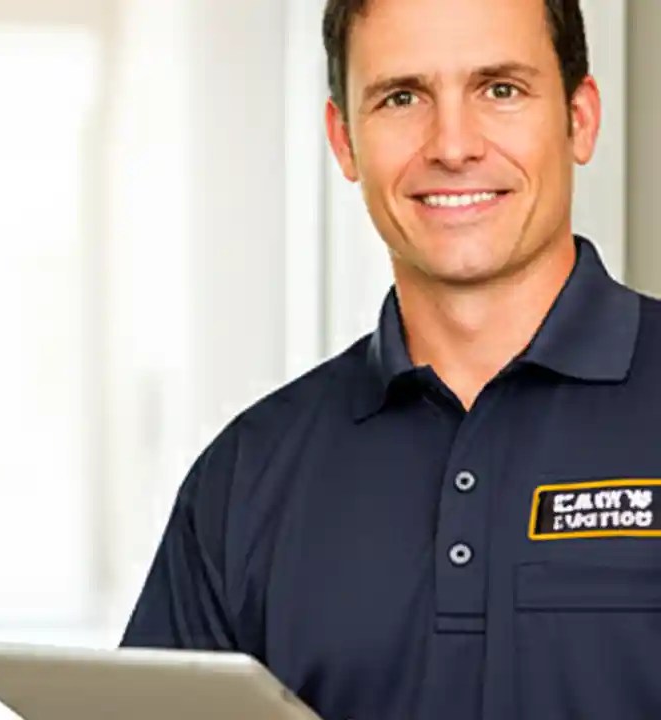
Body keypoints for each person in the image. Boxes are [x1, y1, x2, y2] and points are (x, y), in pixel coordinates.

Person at [120, 0, 661, 718]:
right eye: (402, 97)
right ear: (344, 140)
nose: (453, 144)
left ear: (579, 118)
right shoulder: (246, 475)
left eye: (500, 89)